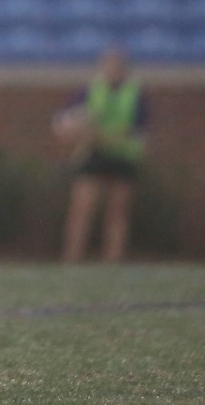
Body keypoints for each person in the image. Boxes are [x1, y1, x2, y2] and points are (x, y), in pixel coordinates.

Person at [56, 47, 149, 262]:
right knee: (82, 208)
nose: (112, 70)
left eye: (117, 66)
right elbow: (65, 121)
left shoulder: (136, 94)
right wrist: (74, 129)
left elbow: (134, 131)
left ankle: (113, 260)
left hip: (123, 155)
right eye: (108, 65)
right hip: (93, 154)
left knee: (117, 210)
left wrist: (95, 135)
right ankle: (71, 259)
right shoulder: (89, 90)